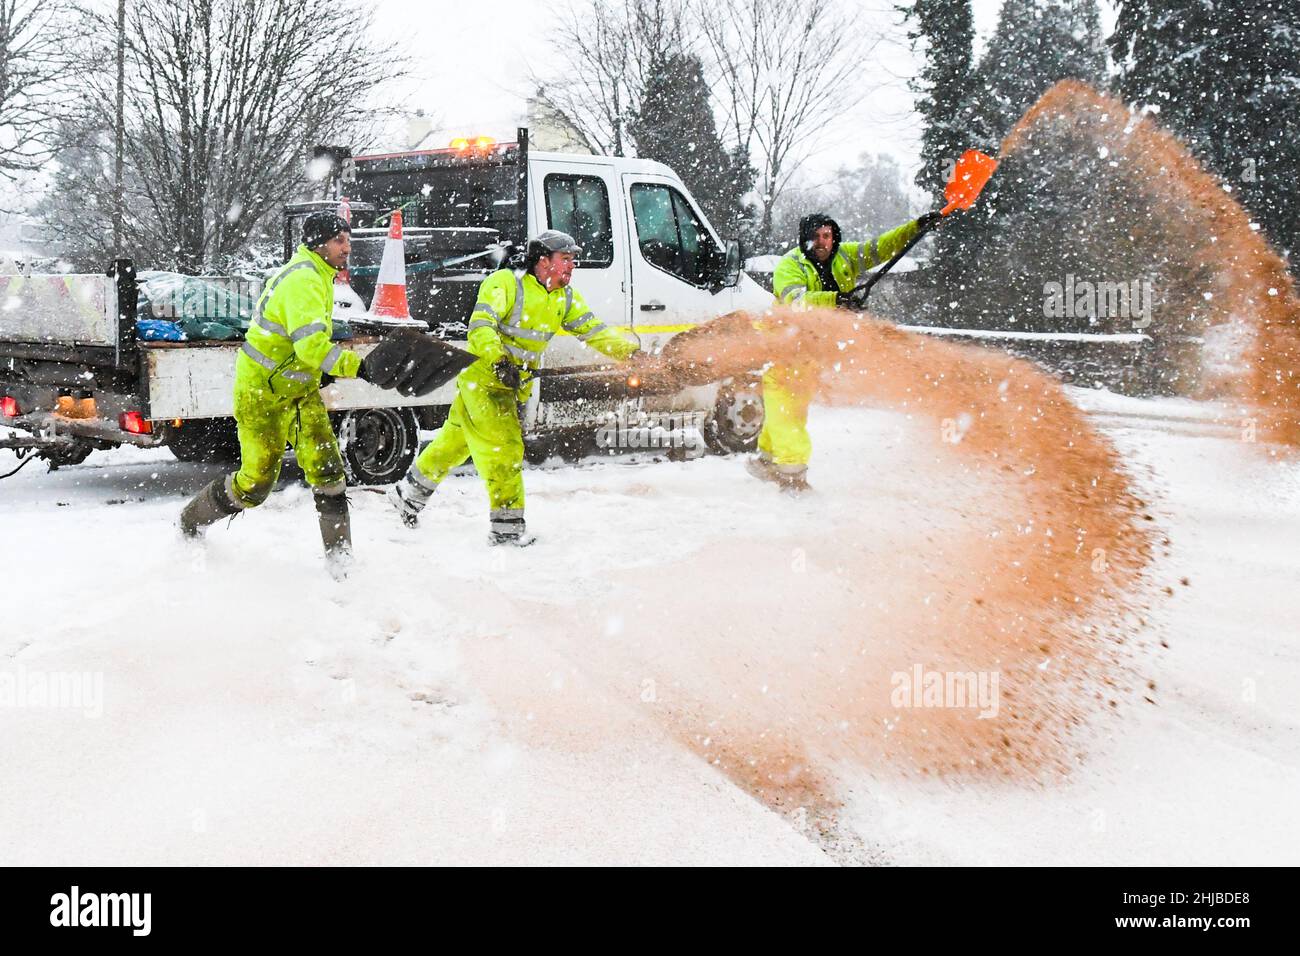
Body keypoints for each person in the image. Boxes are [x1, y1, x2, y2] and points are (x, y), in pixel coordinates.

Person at [179, 211, 452, 576]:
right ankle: (189, 521)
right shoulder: (304, 280)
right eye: (340, 240)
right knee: (255, 486)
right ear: (318, 243)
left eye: (348, 240)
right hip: (262, 395)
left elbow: (304, 347)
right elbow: (311, 348)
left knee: (328, 472)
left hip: (299, 391)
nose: (347, 248)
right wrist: (358, 367)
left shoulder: (319, 276)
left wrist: (316, 375)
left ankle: (341, 563)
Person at [387, 230, 643, 546]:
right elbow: (480, 327)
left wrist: (631, 352)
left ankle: (407, 496)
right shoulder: (505, 284)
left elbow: (595, 331)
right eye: (566, 259)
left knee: (454, 444)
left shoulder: (563, 297)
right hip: (485, 382)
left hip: (510, 385)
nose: (572, 266)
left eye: (572, 260)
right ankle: (507, 532)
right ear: (544, 261)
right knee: (505, 453)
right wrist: (498, 359)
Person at [749, 210, 940, 493]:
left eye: (827, 235)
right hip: (783, 347)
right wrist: (837, 300)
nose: (823, 242)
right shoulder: (789, 265)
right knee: (788, 407)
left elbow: (880, 247)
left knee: (788, 406)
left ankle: (766, 460)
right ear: (805, 240)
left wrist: (915, 228)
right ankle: (792, 475)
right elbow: (796, 301)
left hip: (812, 349)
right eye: (816, 236)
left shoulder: (845, 256)